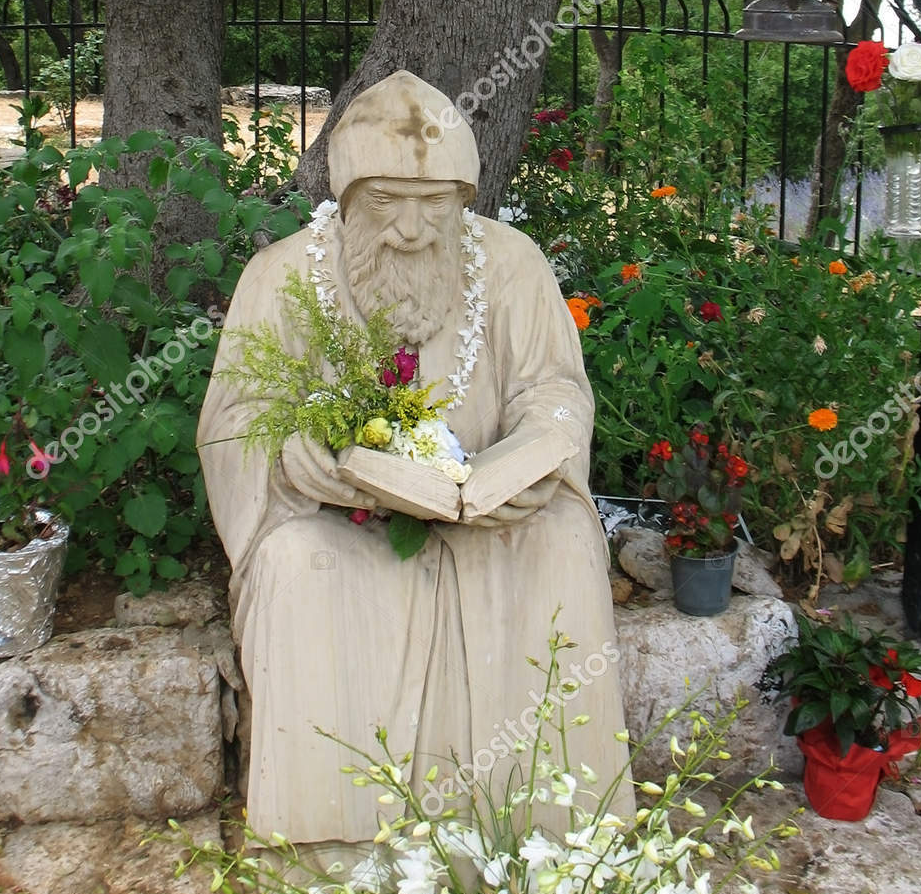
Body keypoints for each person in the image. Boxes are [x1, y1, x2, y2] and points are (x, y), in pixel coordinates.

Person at [197, 70, 632, 850]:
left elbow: (555, 391)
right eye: (385, 204)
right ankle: (331, 838)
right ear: (346, 194)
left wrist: (532, 460)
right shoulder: (284, 275)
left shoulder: (512, 263)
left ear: (462, 199)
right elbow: (236, 420)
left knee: (564, 541)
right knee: (298, 566)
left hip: (489, 513)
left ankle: (545, 829)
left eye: (432, 205)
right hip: (340, 520)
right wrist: (301, 458)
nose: (409, 229)